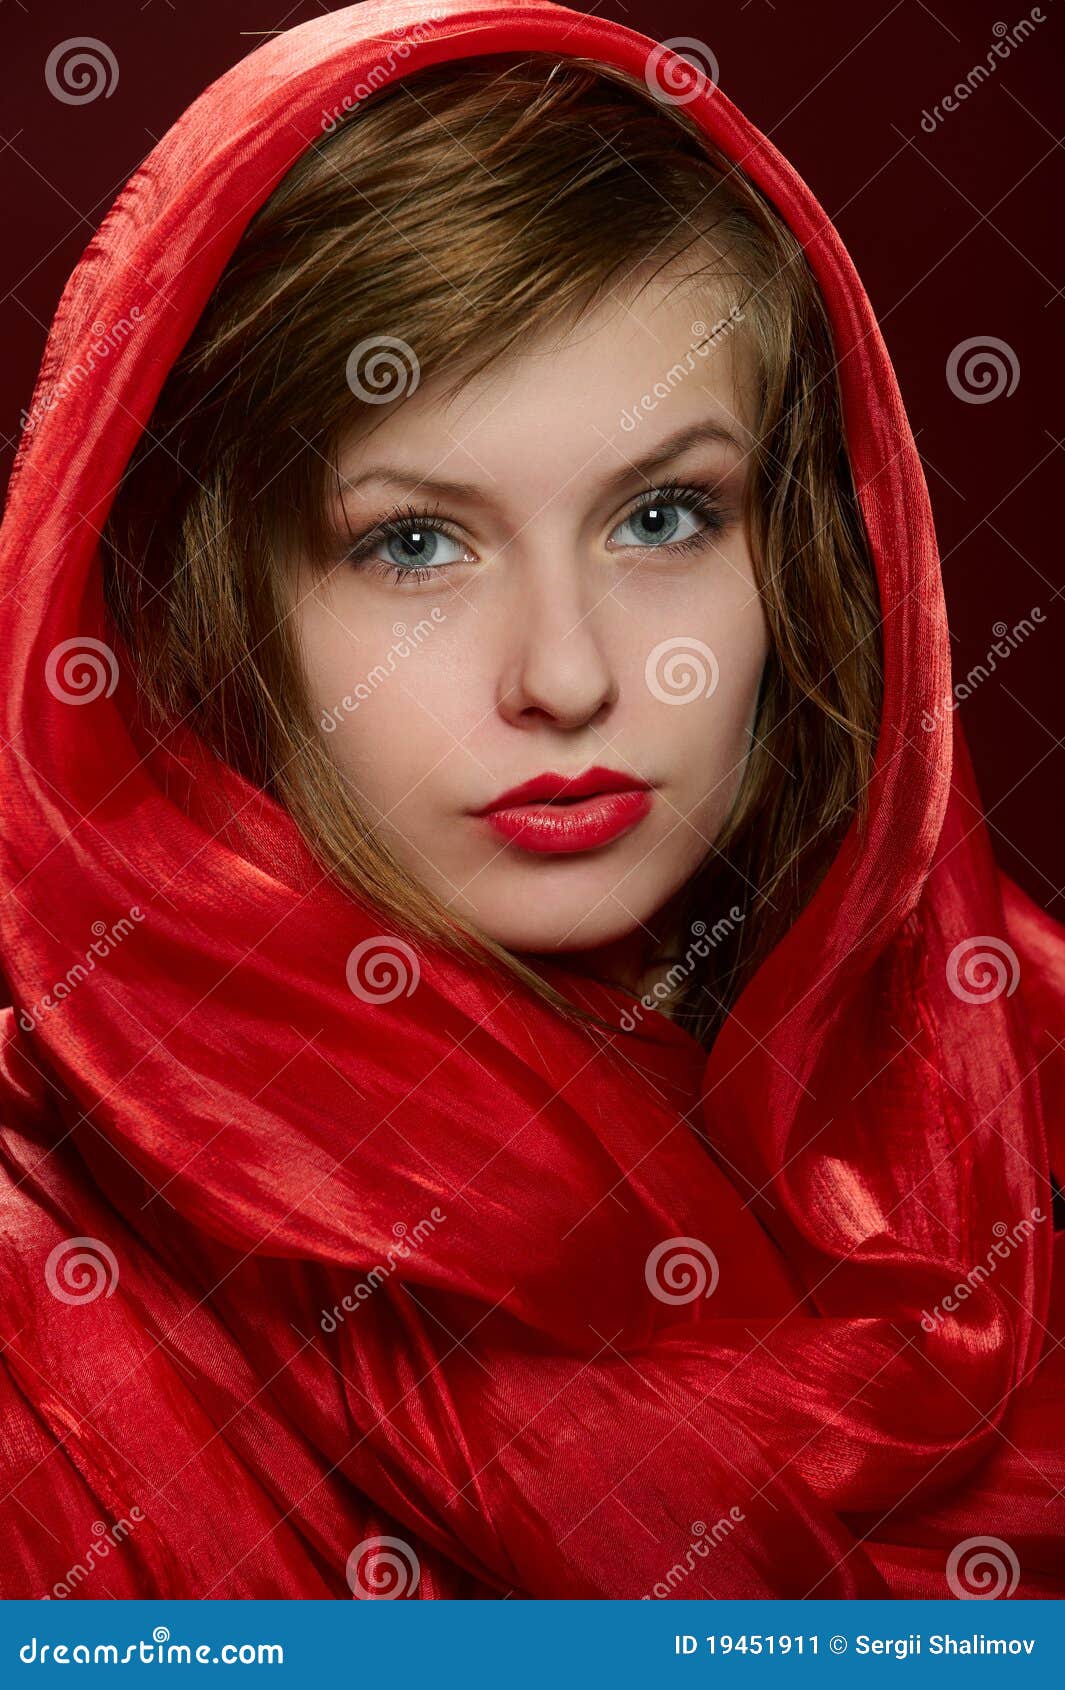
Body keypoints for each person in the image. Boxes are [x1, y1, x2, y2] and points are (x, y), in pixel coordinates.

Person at [0, 0, 1061, 1601]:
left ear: (800, 542)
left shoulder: (1020, 1066)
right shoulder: (43, 1289)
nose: (565, 675)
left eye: (663, 515)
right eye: (412, 542)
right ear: (204, 602)